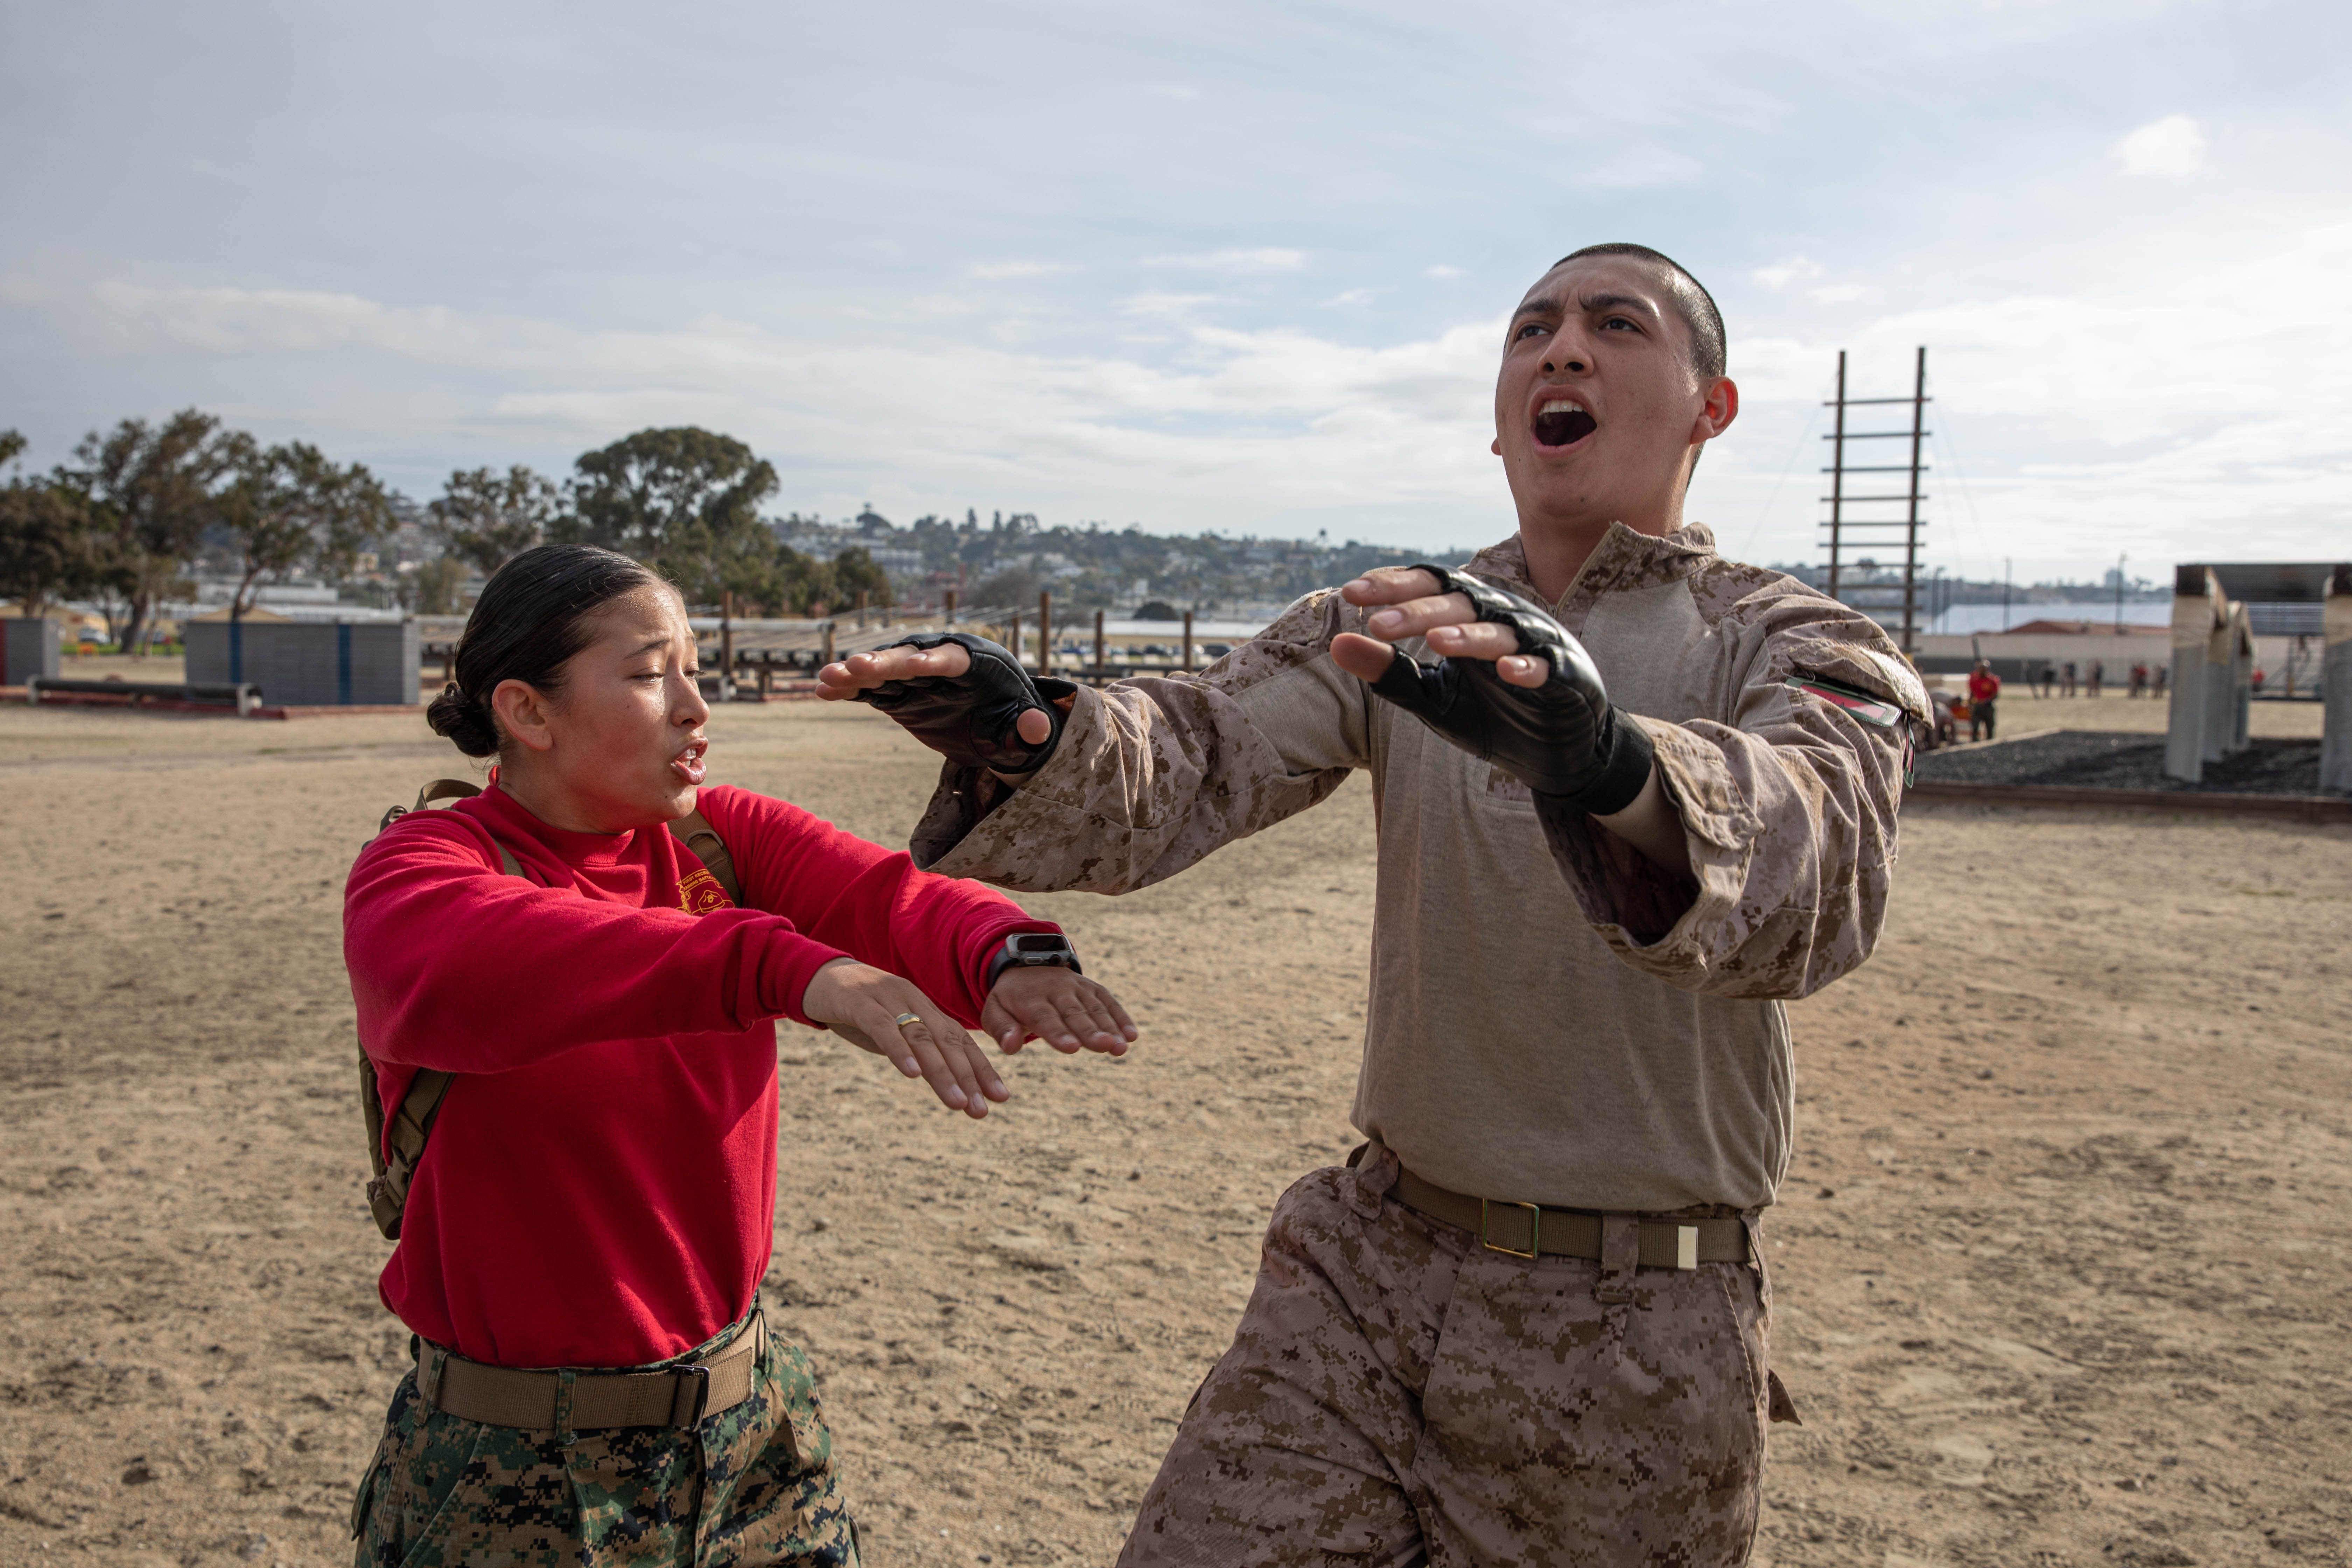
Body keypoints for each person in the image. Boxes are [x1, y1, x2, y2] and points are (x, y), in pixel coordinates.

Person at [819, 243, 1924, 1564]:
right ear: (1499, 409)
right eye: (1530, 330)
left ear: (1710, 405)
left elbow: (1823, 854)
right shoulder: (1401, 624)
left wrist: (1608, 762)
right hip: (1363, 1267)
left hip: (1632, 1326)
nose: (1559, 349)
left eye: (1612, 324)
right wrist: (1028, 735)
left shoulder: (1790, 638)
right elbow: (1190, 753)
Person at [342, 545, 1140, 1568]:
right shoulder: (422, 867)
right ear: (527, 713)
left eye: (692, 671)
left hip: (752, 1427)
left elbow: (886, 895)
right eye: (645, 674)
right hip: (516, 1467)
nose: (692, 708)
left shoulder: (717, 839)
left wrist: (1005, 954)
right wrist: (777, 962)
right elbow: (479, 964)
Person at [1968, 658, 2001, 741]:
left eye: (1984, 669)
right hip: (1978, 706)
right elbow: (1972, 693)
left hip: (1988, 707)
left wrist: (1986, 701)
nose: (1982, 671)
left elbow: (1996, 694)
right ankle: (1974, 742)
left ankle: (1990, 743)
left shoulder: (1993, 680)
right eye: (1980, 668)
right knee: (1975, 726)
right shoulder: (1974, 679)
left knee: (1990, 727)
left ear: (1988, 669)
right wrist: (1970, 704)